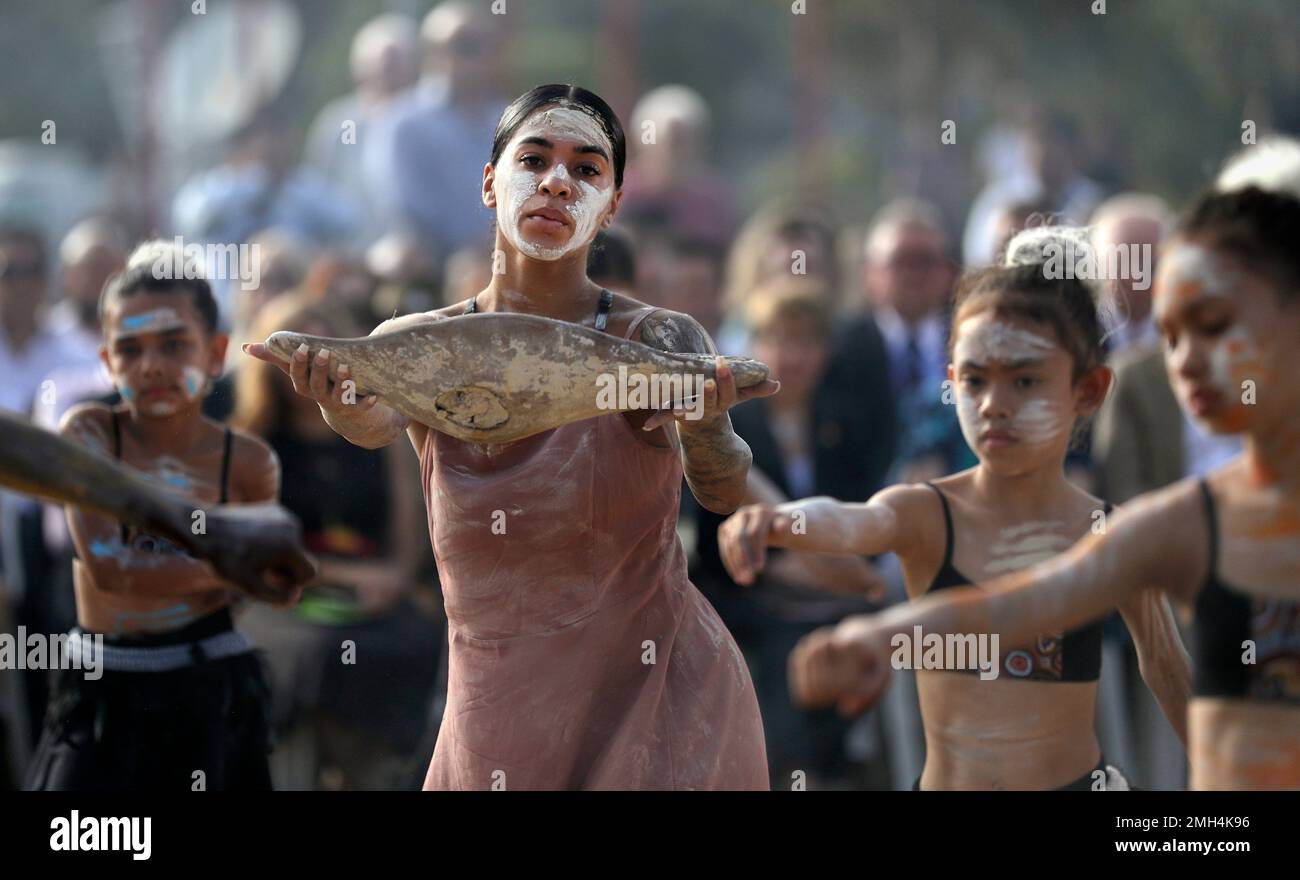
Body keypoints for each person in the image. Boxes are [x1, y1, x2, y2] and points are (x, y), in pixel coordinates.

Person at [247, 83, 775, 790]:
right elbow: (371, 422)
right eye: (536, 159)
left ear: (613, 203)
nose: (558, 182)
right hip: (495, 714)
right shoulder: (414, 346)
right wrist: (336, 399)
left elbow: (721, 487)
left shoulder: (661, 337)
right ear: (491, 183)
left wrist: (708, 425)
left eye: (587, 170)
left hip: (657, 698)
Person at [788, 144, 1300, 789]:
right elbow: (1005, 606)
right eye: (1174, 334)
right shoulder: (1169, 526)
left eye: (1217, 324)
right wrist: (874, 628)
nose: (1186, 363)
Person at [720, 227, 1191, 790]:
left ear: (1087, 391)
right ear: (950, 383)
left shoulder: (1111, 535)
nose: (994, 404)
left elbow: (1166, 667)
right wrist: (780, 521)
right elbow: (853, 521)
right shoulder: (927, 513)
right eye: (974, 380)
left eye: (1024, 380)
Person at [23, 241, 308, 791]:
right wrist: (230, 562)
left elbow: (265, 584)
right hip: (103, 689)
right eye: (129, 349)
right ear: (107, 361)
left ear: (215, 353)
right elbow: (111, 569)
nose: (151, 365)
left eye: (174, 344)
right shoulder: (87, 435)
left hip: (212, 686)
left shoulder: (247, 461)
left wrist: (244, 570)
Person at [232, 294, 439, 790]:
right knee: (303, 663)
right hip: (285, 598)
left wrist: (393, 579)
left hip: (378, 601)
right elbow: (254, 544)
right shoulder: (254, 445)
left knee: (408, 648)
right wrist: (345, 576)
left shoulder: (383, 435)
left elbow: (408, 536)